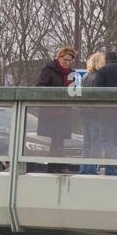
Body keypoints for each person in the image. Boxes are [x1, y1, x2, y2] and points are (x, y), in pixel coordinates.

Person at [34, 46, 77, 174]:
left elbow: (74, 91)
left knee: (60, 140)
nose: (67, 62)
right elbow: (40, 87)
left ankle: (58, 165)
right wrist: (53, 101)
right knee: (55, 139)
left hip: (65, 111)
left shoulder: (72, 73)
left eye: (70, 60)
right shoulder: (48, 69)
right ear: (59, 58)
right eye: (65, 59)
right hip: (51, 111)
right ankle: (53, 167)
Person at [77, 52, 108, 176]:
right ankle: (91, 169)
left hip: (84, 114)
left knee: (87, 143)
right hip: (95, 114)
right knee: (96, 143)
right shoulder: (99, 77)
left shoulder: (85, 76)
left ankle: (83, 168)